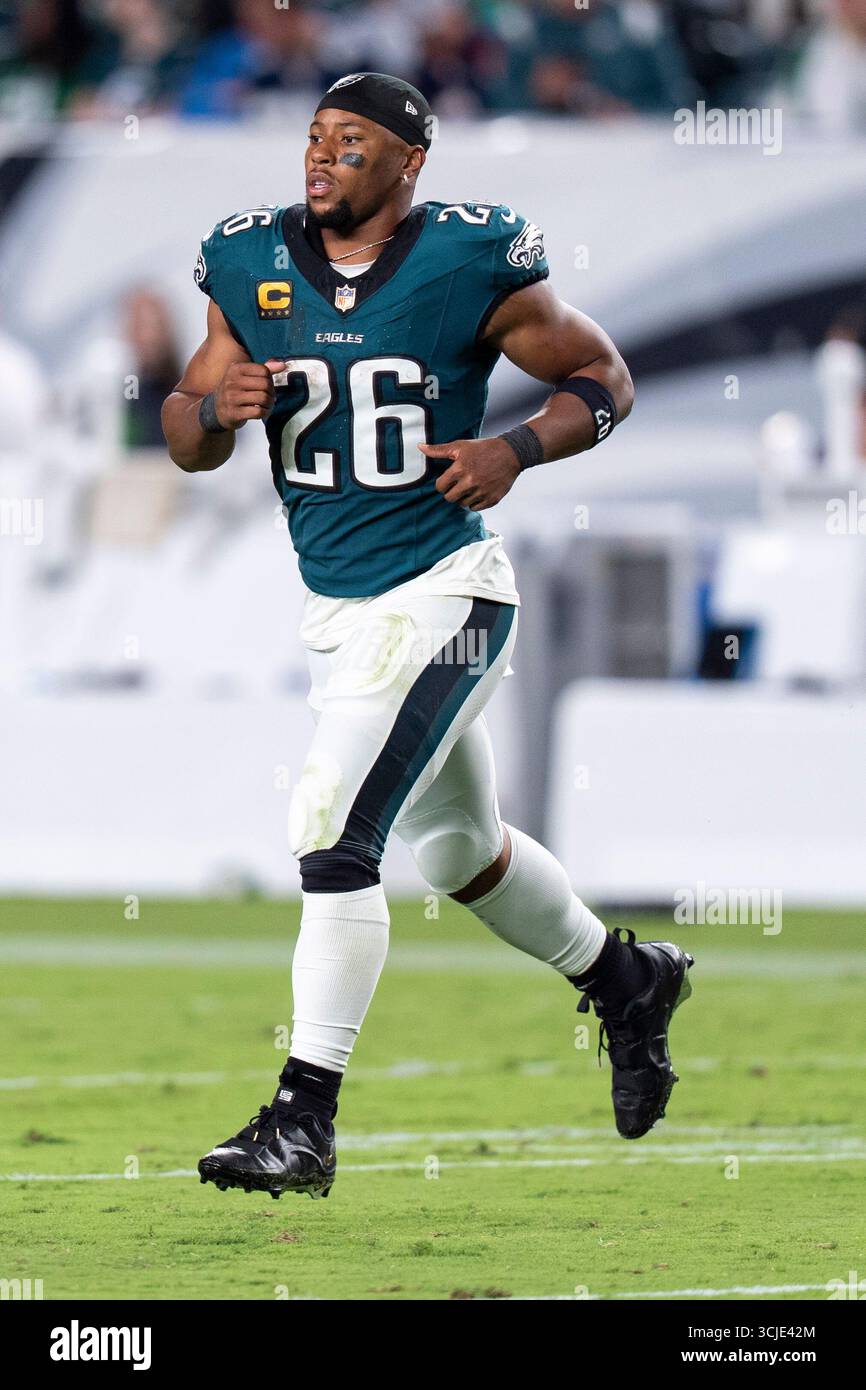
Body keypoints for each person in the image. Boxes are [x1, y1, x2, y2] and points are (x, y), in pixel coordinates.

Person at [162, 72, 693, 1202]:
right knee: (459, 852)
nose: (320, 159)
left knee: (330, 832)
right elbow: (181, 427)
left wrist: (517, 450)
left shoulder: (468, 259)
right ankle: (626, 979)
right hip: (341, 611)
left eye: (350, 144)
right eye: (313, 138)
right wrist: (215, 410)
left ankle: (302, 1117)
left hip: (447, 593)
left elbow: (604, 378)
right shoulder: (250, 262)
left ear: (409, 166)